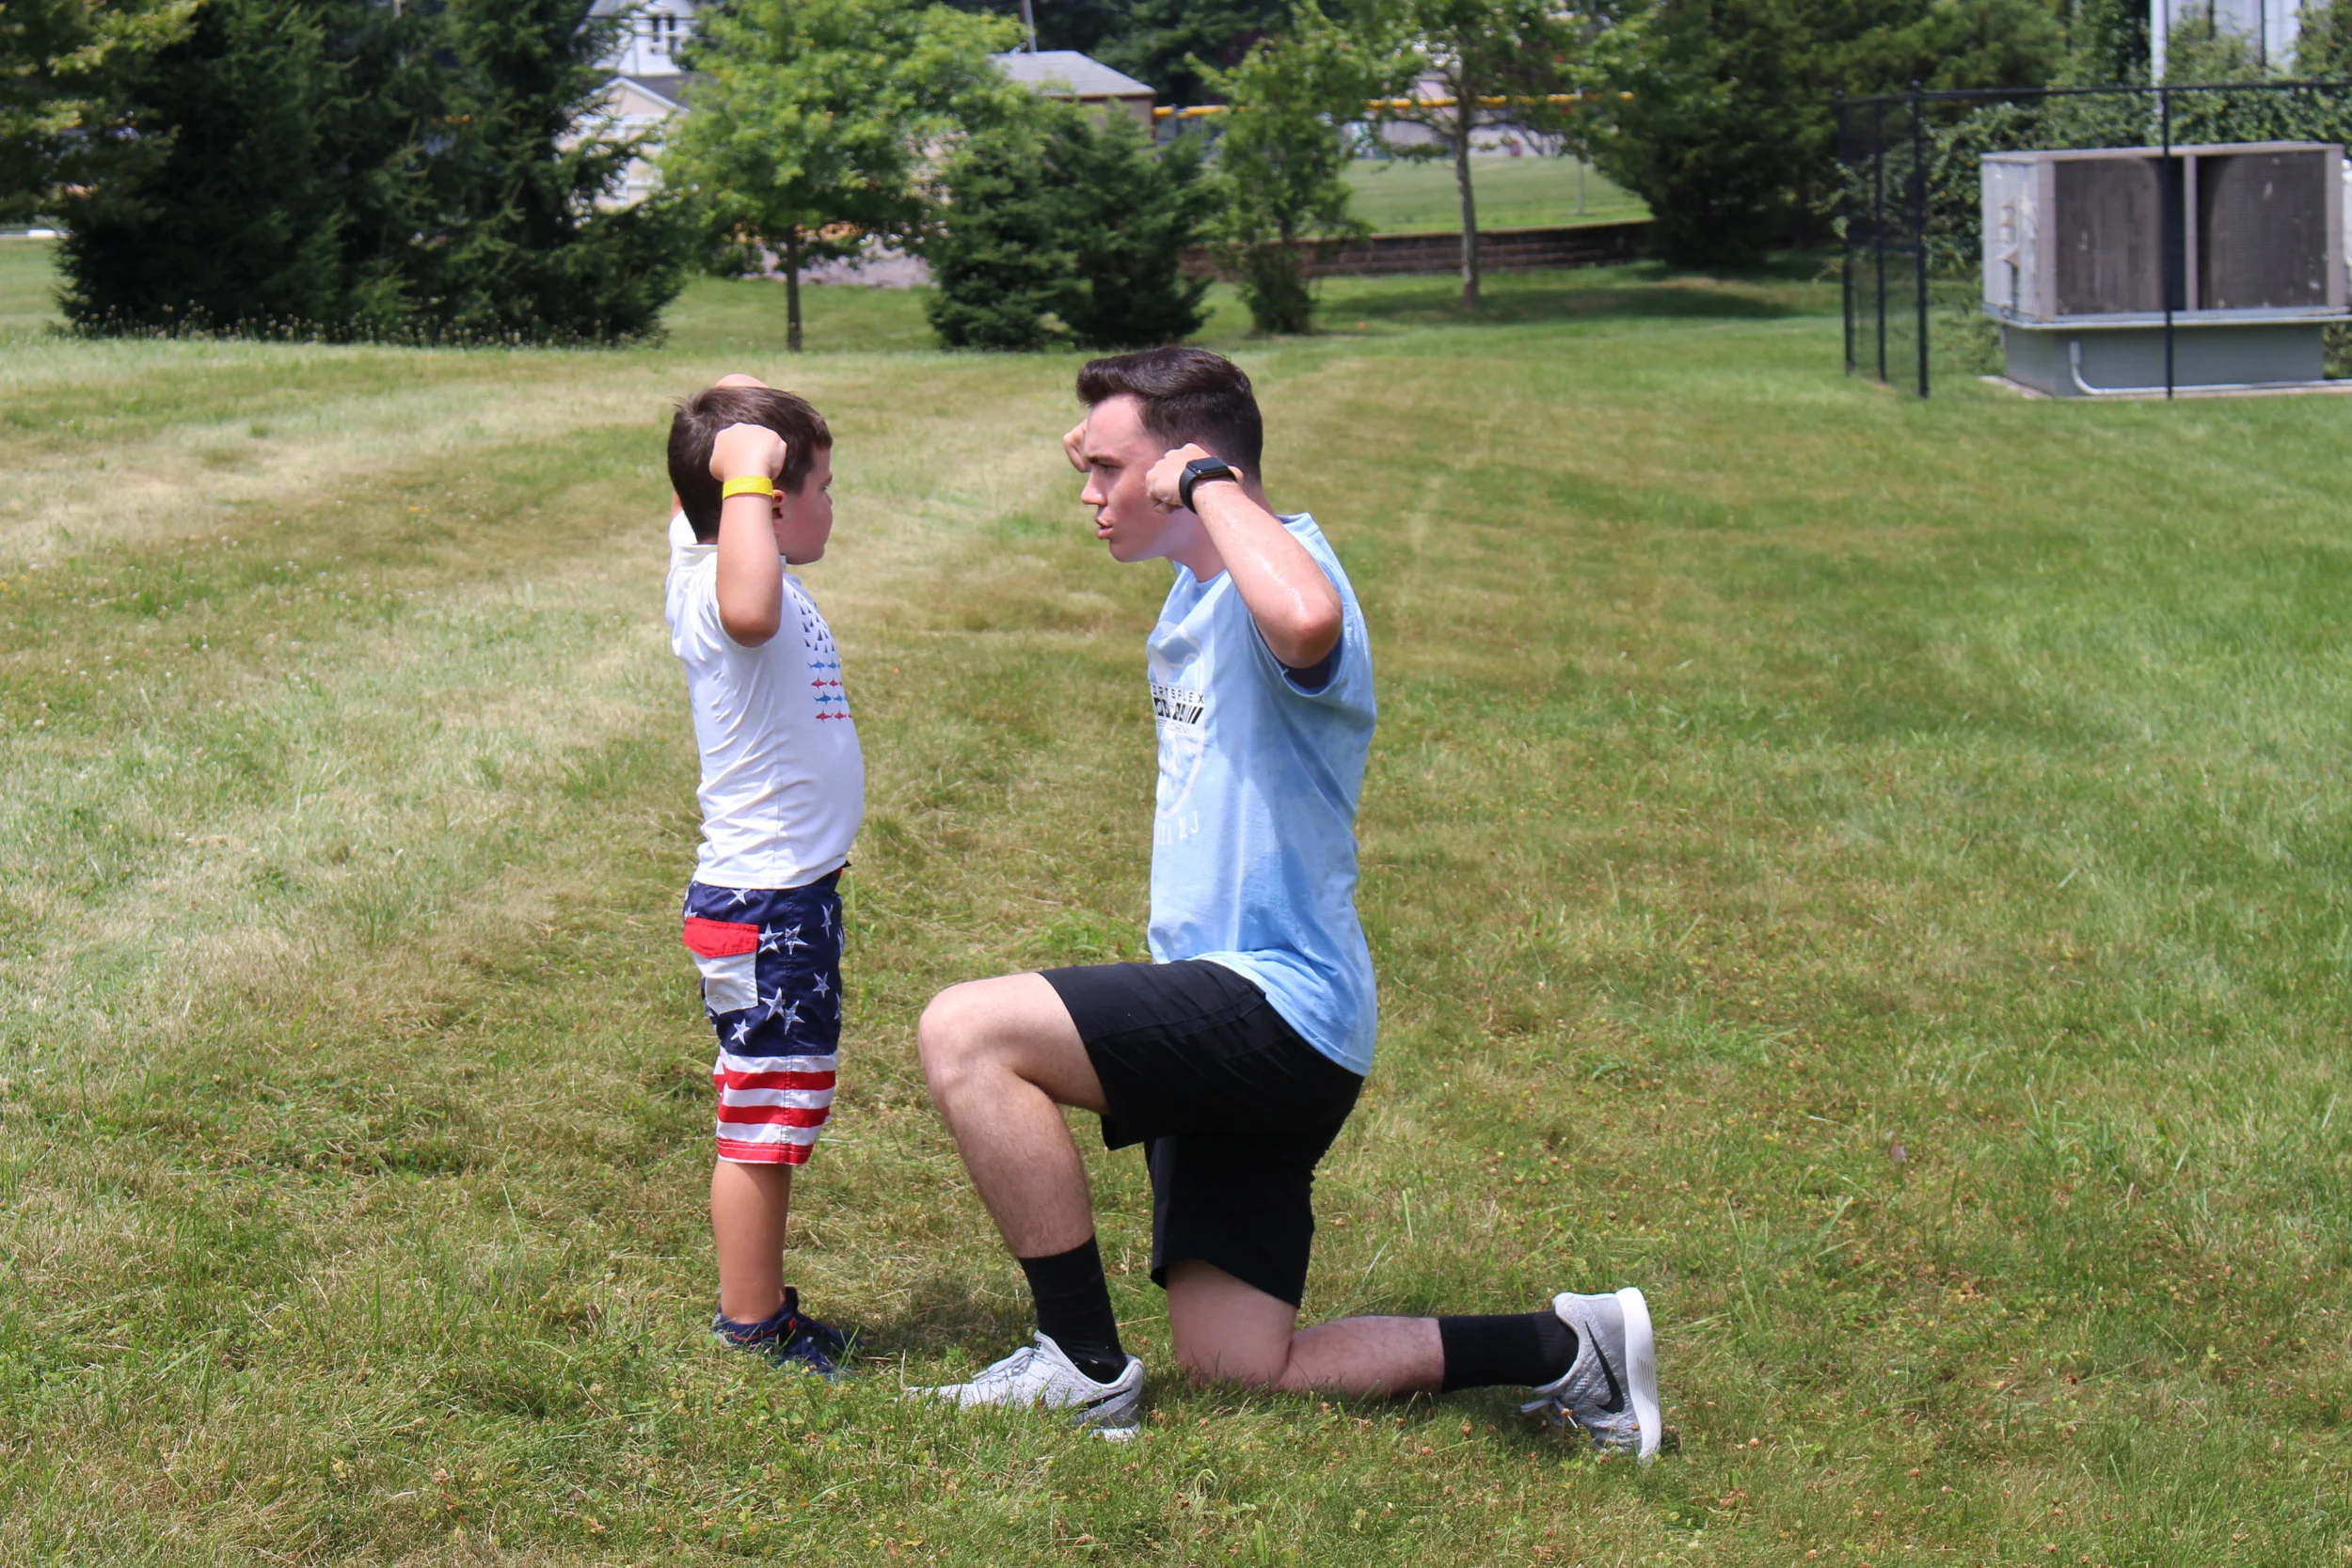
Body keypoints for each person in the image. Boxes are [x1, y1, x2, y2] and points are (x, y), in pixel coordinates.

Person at [911, 348, 1661, 1453]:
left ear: (1188, 466)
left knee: (965, 1031)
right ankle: (1568, 1349)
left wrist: (1205, 478)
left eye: (1110, 468)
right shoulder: (1203, 584)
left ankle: (1076, 1359)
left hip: (1276, 1004)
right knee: (1239, 1363)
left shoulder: (1290, 580)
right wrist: (1144, 463)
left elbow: (1306, 620)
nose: (1088, 493)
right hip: (1242, 1014)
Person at [663, 375, 862, 1374]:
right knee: (764, 1118)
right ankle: (752, 1322)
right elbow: (750, 608)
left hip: (784, 900)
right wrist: (747, 463)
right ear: (765, 501)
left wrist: (735, 424)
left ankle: (761, 1308)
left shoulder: (704, 547)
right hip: (767, 907)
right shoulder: (725, 588)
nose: (835, 505)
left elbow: (695, 480)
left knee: (774, 1103)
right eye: (822, 484)